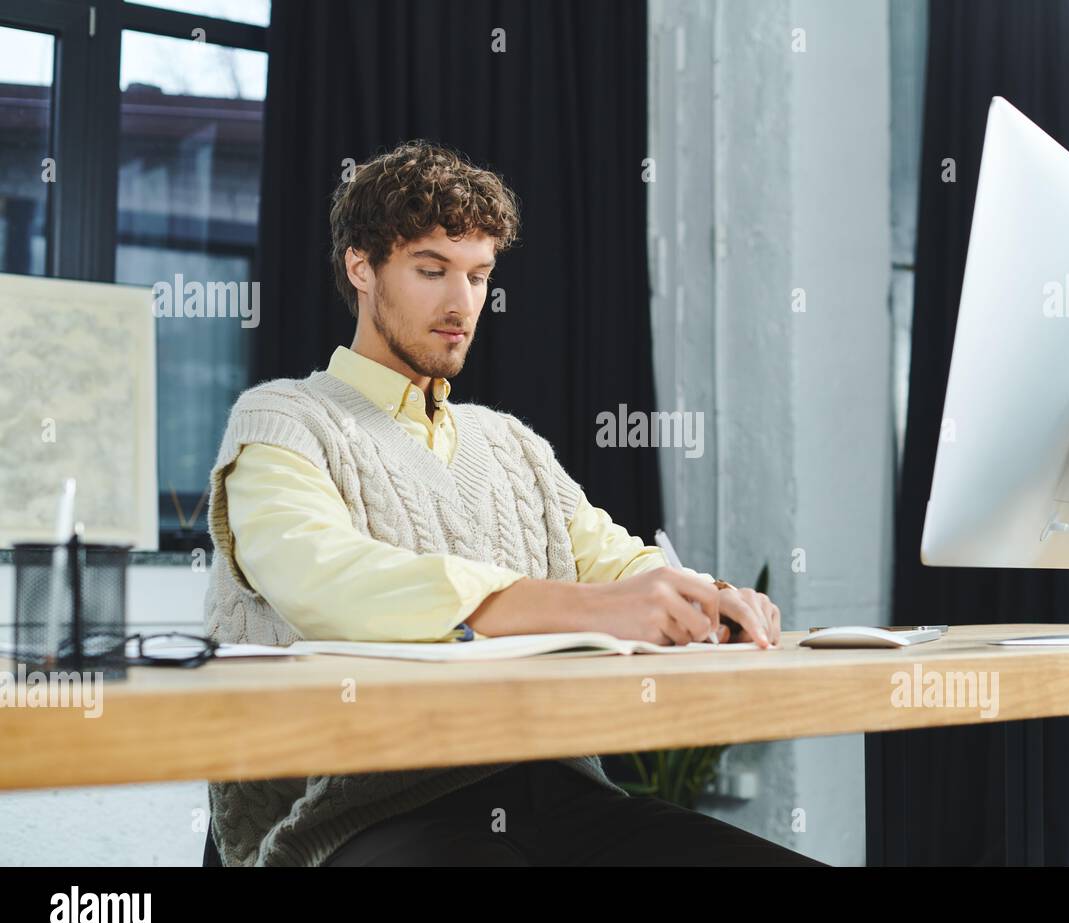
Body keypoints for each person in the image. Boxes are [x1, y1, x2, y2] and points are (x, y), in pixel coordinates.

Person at [203, 140, 822, 866]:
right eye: (432, 270)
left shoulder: (510, 444)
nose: (461, 302)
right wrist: (590, 610)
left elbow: (615, 559)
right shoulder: (282, 419)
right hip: (359, 819)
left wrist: (703, 597)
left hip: (557, 791)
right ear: (361, 267)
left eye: (478, 275)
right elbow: (326, 580)